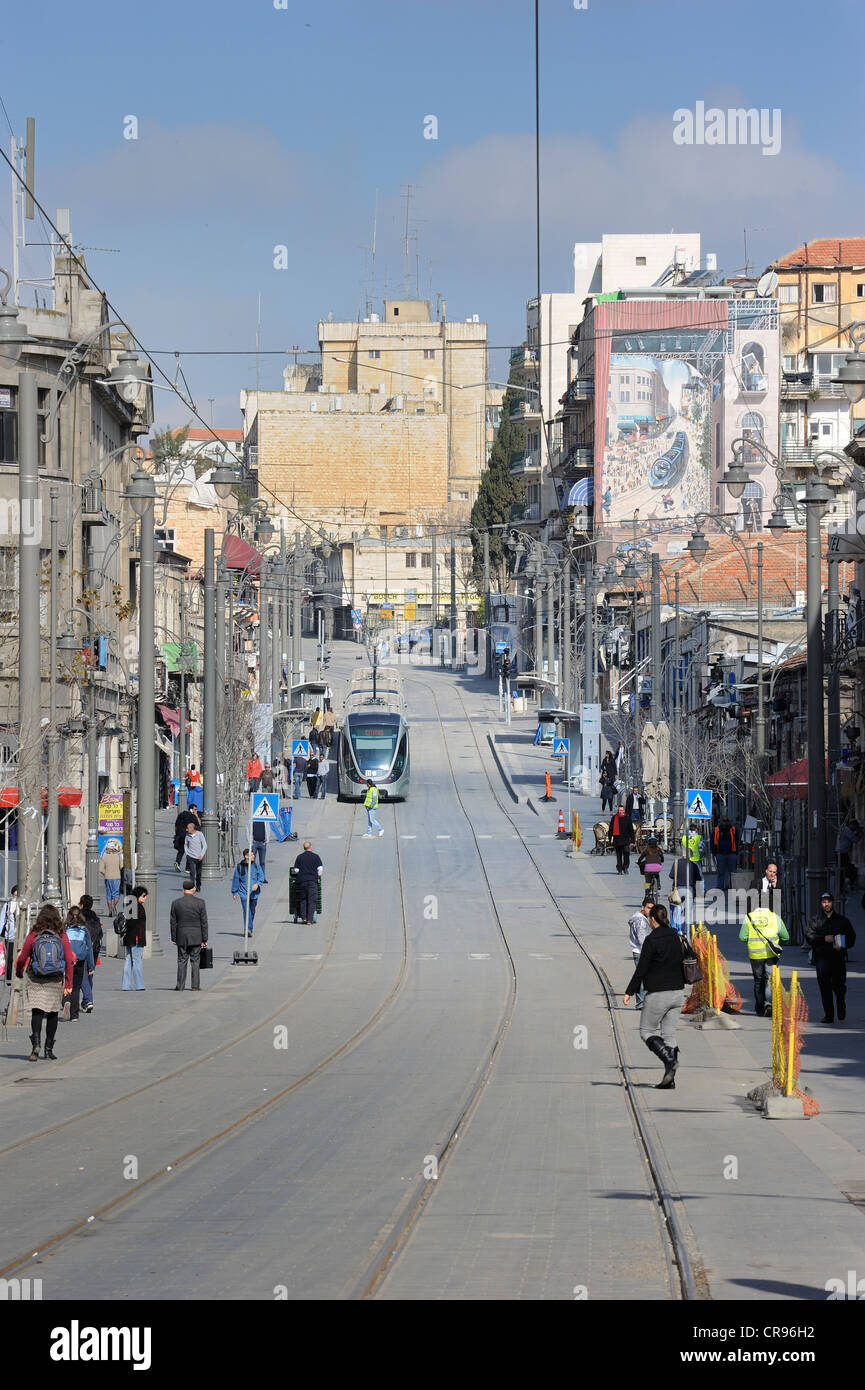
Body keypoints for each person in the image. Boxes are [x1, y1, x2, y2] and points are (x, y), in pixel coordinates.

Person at [624, 904, 685, 1089]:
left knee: (646, 1032)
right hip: (677, 993)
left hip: (659, 993)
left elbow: (641, 969)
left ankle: (668, 1060)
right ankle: (670, 1079)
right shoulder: (675, 935)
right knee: (669, 1036)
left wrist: (629, 991)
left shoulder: (651, 940)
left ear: (652, 919)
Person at [15, 903, 74, 1061]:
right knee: (53, 1012)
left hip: (36, 977)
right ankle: (49, 1049)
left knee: (37, 1011)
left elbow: (23, 956)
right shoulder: (61, 934)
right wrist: (69, 983)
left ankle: (35, 1045)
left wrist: (19, 971)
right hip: (55, 978)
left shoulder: (34, 933)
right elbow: (69, 960)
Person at [805, 890, 855, 1024]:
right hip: (822, 958)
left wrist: (842, 944)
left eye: (828, 902)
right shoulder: (815, 920)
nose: (826, 904)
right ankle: (829, 1014)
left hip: (838, 958)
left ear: (832, 903)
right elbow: (810, 936)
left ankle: (841, 1005)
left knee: (839, 986)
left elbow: (851, 938)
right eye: (823, 902)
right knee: (824, 986)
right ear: (821, 904)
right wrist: (823, 938)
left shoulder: (842, 921)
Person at [738, 901, 789, 1018]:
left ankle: (760, 1009)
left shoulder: (749, 917)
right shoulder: (775, 917)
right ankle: (769, 1004)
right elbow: (786, 937)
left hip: (755, 955)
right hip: (771, 955)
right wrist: (777, 943)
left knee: (758, 981)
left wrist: (751, 942)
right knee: (769, 980)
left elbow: (742, 937)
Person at [170, 879, 209, 991]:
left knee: (182, 960)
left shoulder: (176, 903)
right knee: (195, 961)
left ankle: (180, 985)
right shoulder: (200, 903)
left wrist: (174, 937)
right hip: (197, 936)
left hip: (181, 936)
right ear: (194, 889)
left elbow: (173, 922)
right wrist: (205, 938)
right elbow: (204, 922)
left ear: (183, 890)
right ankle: (195, 985)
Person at [63, 906, 94, 1022]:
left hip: (67, 960)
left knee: (67, 984)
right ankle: (74, 1015)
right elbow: (89, 948)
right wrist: (91, 966)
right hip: (80, 961)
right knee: (76, 987)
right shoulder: (84, 930)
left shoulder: (65, 929)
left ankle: (66, 1000)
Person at [628, 897, 655, 1008]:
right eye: (648, 908)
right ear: (643, 907)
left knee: (642, 975)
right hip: (641, 952)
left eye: (652, 908)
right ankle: (641, 1002)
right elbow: (642, 939)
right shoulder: (640, 921)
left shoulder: (641, 918)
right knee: (643, 976)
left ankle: (641, 1001)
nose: (650, 911)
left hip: (639, 951)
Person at [78, 894, 102, 1014]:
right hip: (95, 948)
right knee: (90, 973)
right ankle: (86, 1001)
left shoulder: (80, 916)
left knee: (82, 974)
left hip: (84, 948)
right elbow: (100, 933)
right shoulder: (95, 917)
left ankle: (88, 1000)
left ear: (81, 904)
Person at [232, 848, 264, 936]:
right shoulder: (239, 867)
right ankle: (248, 929)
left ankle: (249, 927)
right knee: (247, 911)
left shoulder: (256, 866)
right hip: (243, 893)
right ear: (246, 856)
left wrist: (257, 884)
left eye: (253, 854)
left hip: (254, 894)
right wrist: (234, 892)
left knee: (252, 911)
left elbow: (261, 876)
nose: (254, 856)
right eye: (252, 855)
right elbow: (236, 880)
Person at [122, 886, 148, 991]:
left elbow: (128, 922)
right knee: (137, 961)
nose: (145, 898)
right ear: (138, 896)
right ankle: (139, 985)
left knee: (128, 960)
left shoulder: (129, 905)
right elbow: (135, 924)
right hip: (137, 937)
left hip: (129, 938)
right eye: (144, 896)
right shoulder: (139, 907)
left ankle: (125, 985)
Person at [667, 853, 701, 933]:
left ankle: (676, 929)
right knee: (688, 911)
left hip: (678, 889)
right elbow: (698, 878)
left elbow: (671, 875)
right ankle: (687, 930)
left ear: (682, 855)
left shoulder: (676, 863)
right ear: (691, 856)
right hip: (690, 889)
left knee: (677, 910)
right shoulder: (693, 865)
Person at [293, 840, 323, 925]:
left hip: (302, 882)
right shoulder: (316, 857)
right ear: (311, 847)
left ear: (304, 848)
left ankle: (304, 918)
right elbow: (320, 869)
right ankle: (310, 920)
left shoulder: (299, 857)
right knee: (312, 900)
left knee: (303, 899)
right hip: (312, 881)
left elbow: (296, 870)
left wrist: (301, 873)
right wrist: (318, 876)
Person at [713, 817, 738, 892]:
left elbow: (737, 840)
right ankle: (720, 887)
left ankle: (732, 887)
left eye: (726, 821)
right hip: (720, 854)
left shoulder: (733, 829)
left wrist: (736, 852)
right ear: (721, 821)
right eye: (723, 821)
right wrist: (714, 852)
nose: (725, 822)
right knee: (721, 872)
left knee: (732, 872)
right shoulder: (716, 830)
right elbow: (712, 841)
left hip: (731, 854)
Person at [609, 803, 635, 874]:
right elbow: (611, 828)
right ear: (618, 811)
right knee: (618, 855)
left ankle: (625, 867)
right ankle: (619, 869)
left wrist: (632, 841)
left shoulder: (627, 818)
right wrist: (610, 838)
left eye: (622, 810)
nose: (620, 812)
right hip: (617, 839)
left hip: (625, 839)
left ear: (624, 811)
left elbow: (631, 830)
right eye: (619, 810)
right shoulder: (614, 818)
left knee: (626, 853)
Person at [835, 820, 860, 891]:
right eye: (855, 826)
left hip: (841, 853)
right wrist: (859, 834)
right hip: (841, 853)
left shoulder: (844, 829)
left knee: (844, 870)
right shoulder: (847, 830)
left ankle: (842, 887)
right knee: (844, 870)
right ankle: (841, 887)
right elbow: (855, 839)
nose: (855, 828)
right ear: (851, 824)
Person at [1, 885, 19, 983]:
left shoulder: (21, 905)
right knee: (10, 957)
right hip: (10, 936)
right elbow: (2, 920)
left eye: (17, 896)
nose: (15, 898)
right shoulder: (7, 905)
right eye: (14, 895)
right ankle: (9, 978)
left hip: (20, 936)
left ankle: (18, 975)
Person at [99, 842, 123, 915]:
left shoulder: (104, 857)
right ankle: (114, 905)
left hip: (108, 877)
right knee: (116, 894)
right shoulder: (118, 856)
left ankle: (110, 911)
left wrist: (105, 873)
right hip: (117, 877)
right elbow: (121, 866)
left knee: (109, 894)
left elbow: (101, 869)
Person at [184, 820, 207, 891]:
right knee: (192, 872)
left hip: (199, 857)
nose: (186, 829)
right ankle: (192, 887)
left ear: (192, 828)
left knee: (198, 873)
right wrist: (187, 854)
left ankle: (198, 885)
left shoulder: (200, 834)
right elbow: (185, 845)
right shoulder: (187, 836)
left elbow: (205, 845)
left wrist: (201, 855)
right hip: (190, 856)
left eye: (188, 828)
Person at [173, 806, 191, 872]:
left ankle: (177, 862)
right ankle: (188, 868)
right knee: (189, 852)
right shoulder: (189, 817)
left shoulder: (179, 817)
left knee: (181, 851)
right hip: (187, 836)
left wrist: (177, 834)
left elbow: (176, 826)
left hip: (180, 836)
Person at [251, 817, 269, 881]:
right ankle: (253, 877)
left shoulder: (265, 819)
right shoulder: (253, 818)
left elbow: (267, 829)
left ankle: (262, 878)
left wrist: (267, 841)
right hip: (254, 843)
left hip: (262, 843)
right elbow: (248, 829)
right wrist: (250, 841)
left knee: (262, 862)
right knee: (252, 861)